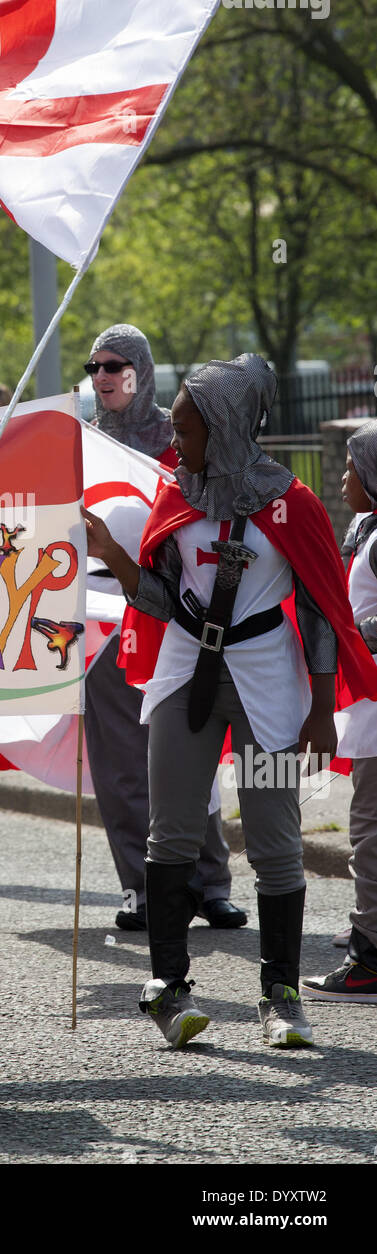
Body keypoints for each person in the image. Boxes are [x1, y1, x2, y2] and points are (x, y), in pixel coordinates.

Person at [82, 354, 377, 1050]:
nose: (175, 443)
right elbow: (157, 598)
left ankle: (279, 998)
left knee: (274, 842)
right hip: (185, 679)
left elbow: (316, 609)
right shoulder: (175, 495)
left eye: (186, 430)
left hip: (268, 693)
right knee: (171, 832)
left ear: (227, 424)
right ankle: (168, 988)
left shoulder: (293, 503)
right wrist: (113, 556)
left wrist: (315, 709)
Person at [83, 325, 246, 932]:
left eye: (114, 365)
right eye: (93, 365)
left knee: (187, 750)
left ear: (140, 369)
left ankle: (209, 883)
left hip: (173, 610)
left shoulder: (178, 441)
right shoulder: (83, 446)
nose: (102, 375)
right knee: (122, 759)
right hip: (100, 614)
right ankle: (143, 888)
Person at [302, 421, 377, 1001]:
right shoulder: (367, 531)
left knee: (370, 831)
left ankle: (370, 958)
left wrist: (351, 631)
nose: (343, 477)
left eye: (353, 467)